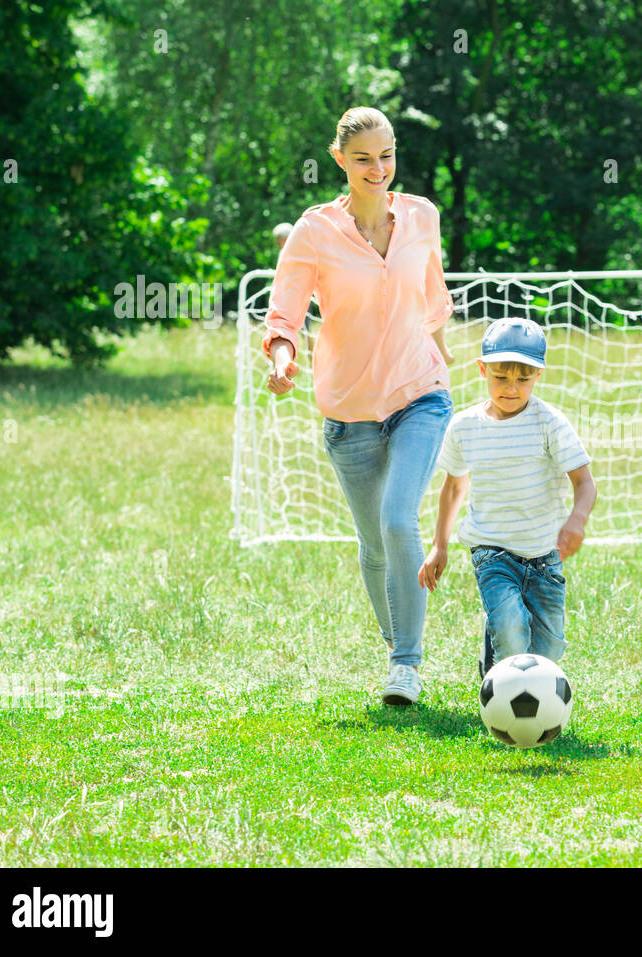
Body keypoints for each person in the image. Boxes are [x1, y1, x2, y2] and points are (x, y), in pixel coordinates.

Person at [264, 106, 456, 706]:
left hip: (419, 394)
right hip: (349, 412)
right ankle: (397, 638)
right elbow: (285, 309)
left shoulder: (423, 216)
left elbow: (433, 300)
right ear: (340, 159)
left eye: (388, 155)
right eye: (365, 159)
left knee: (401, 519)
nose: (379, 169)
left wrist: (447, 369)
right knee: (374, 545)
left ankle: (406, 664)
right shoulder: (314, 230)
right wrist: (281, 357)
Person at [418, 318, 596, 678]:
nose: (511, 389)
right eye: (500, 377)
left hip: (545, 554)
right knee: (512, 633)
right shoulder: (465, 426)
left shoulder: (550, 422)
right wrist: (439, 545)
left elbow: (584, 482)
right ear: (483, 369)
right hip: (492, 549)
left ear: (538, 376)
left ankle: (497, 644)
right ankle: (498, 673)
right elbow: (453, 487)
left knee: (548, 651)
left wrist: (576, 520)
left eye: (522, 379)